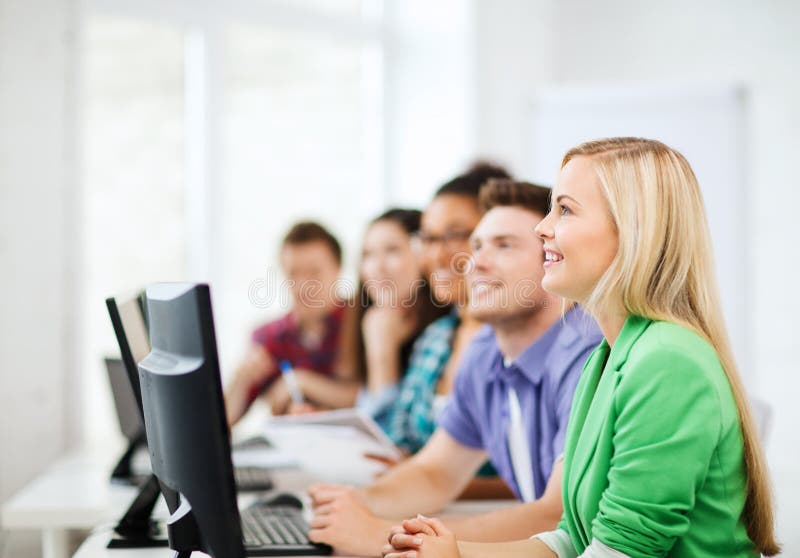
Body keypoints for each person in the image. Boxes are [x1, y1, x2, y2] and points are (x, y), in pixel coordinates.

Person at [385, 138, 780, 558]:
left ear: (632, 230)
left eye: (565, 210)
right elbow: (574, 538)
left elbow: (618, 552)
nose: (542, 228)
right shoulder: (606, 358)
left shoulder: (667, 360)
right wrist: (456, 553)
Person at [307, 179, 603, 557]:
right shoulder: (484, 351)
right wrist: (354, 503)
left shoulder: (587, 349)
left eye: (504, 245)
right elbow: (435, 472)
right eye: (477, 244)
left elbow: (560, 517)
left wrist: (382, 534)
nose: (472, 261)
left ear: (552, 257)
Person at [382, 162, 511, 454]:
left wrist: (410, 475)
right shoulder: (435, 339)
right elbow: (397, 440)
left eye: (455, 235)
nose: (438, 255)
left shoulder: (518, 342)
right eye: (428, 238)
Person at [224, 221, 348, 425]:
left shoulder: (361, 326)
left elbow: (375, 396)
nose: (302, 285)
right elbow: (223, 424)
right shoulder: (269, 338)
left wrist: (302, 381)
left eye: (314, 273)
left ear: (338, 271)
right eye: (293, 273)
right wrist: (240, 381)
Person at [347, 208, 452, 420]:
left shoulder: (446, 335)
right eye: (368, 254)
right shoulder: (378, 321)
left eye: (392, 251)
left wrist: (382, 355)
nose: (378, 267)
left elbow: (386, 435)